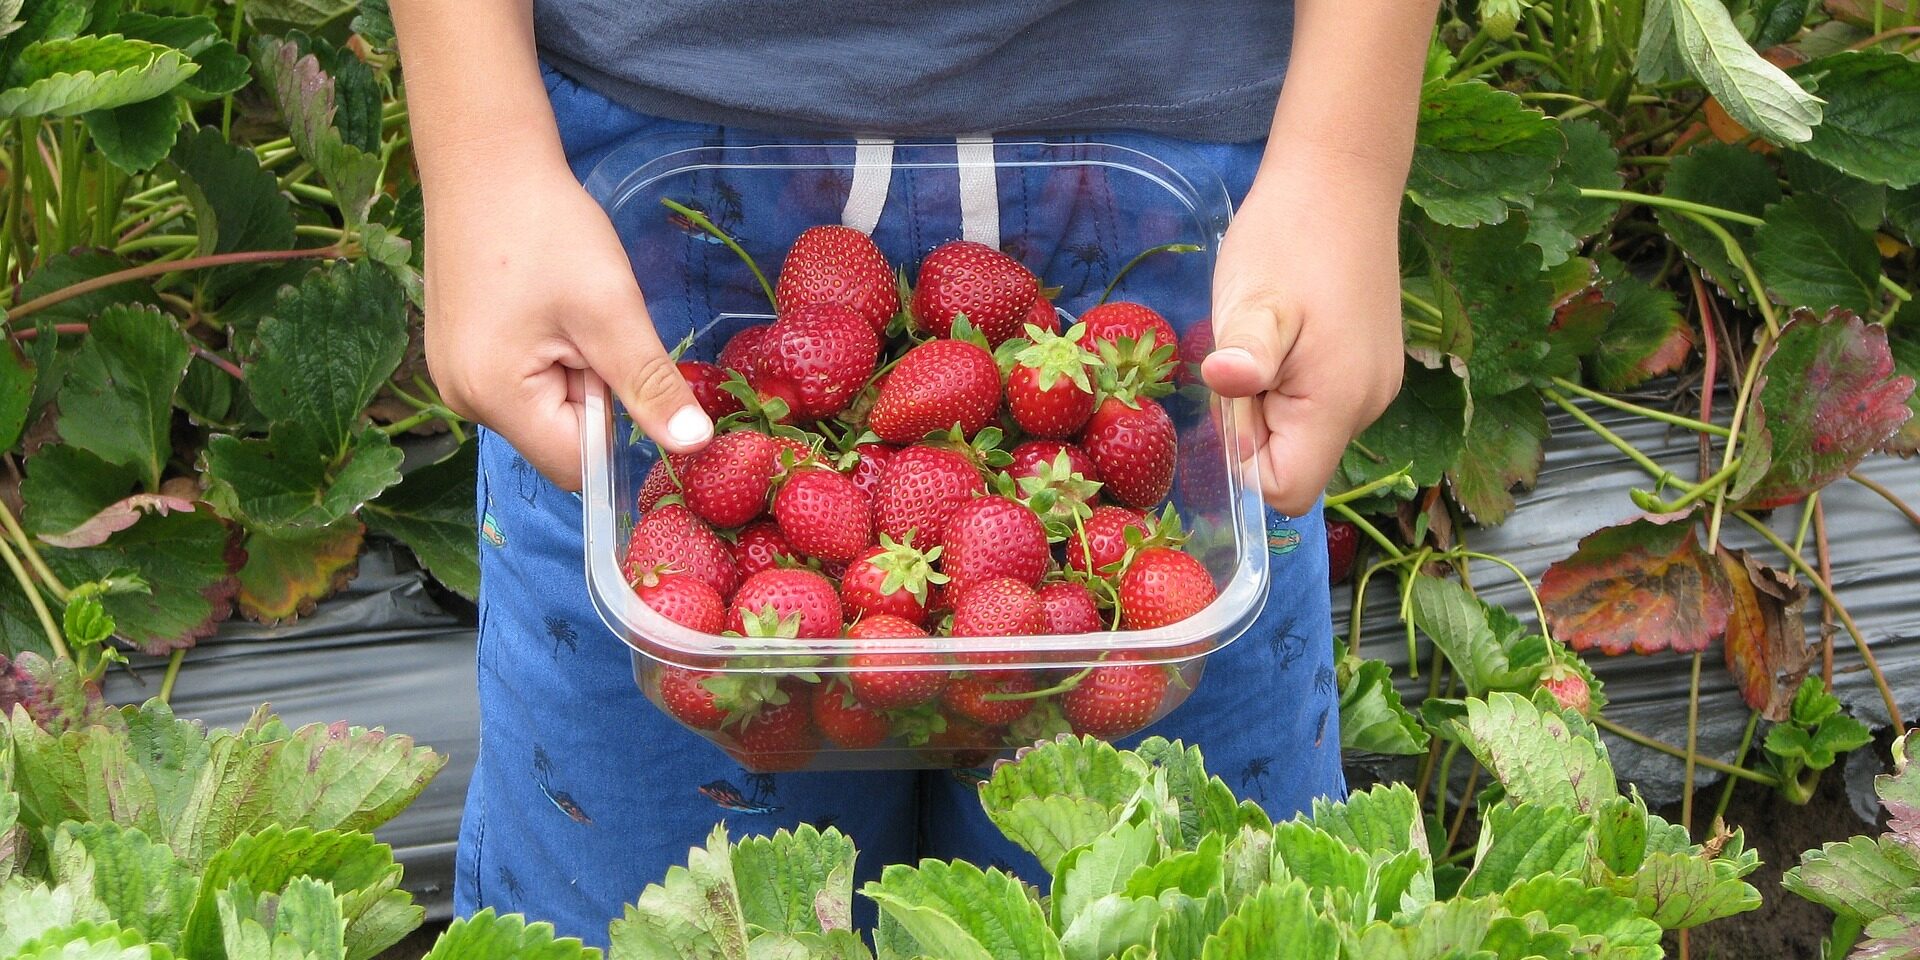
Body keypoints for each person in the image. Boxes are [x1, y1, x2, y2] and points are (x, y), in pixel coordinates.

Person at [392, 0, 1435, 946]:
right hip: (645, 214)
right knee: (651, 921)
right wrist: (481, 146)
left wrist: (1343, 155)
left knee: (1191, 912)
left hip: (1187, 186)